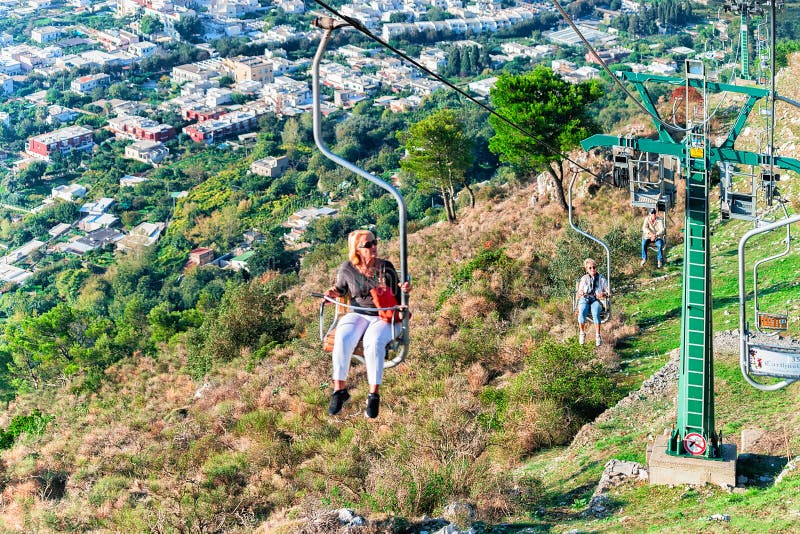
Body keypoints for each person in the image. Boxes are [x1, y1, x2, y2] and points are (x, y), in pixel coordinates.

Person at [324, 229, 411, 419]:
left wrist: (404, 289)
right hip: (359, 313)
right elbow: (340, 289)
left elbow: (398, 294)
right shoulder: (347, 268)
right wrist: (332, 294)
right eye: (368, 245)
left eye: (374, 242)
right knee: (343, 337)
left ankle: (373, 394)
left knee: (373, 341)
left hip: (383, 315)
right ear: (356, 250)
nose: (374, 247)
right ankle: (339, 390)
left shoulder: (385, 267)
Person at [576, 258, 610, 347]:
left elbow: (608, 292)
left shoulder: (601, 279)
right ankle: (582, 333)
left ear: (596, 268)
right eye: (590, 268)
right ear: (587, 269)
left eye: (594, 267)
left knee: (595, 312)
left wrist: (603, 293)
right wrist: (581, 293)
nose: (592, 269)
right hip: (586, 298)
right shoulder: (584, 278)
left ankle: (598, 336)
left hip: (596, 299)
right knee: (582, 311)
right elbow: (579, 292)